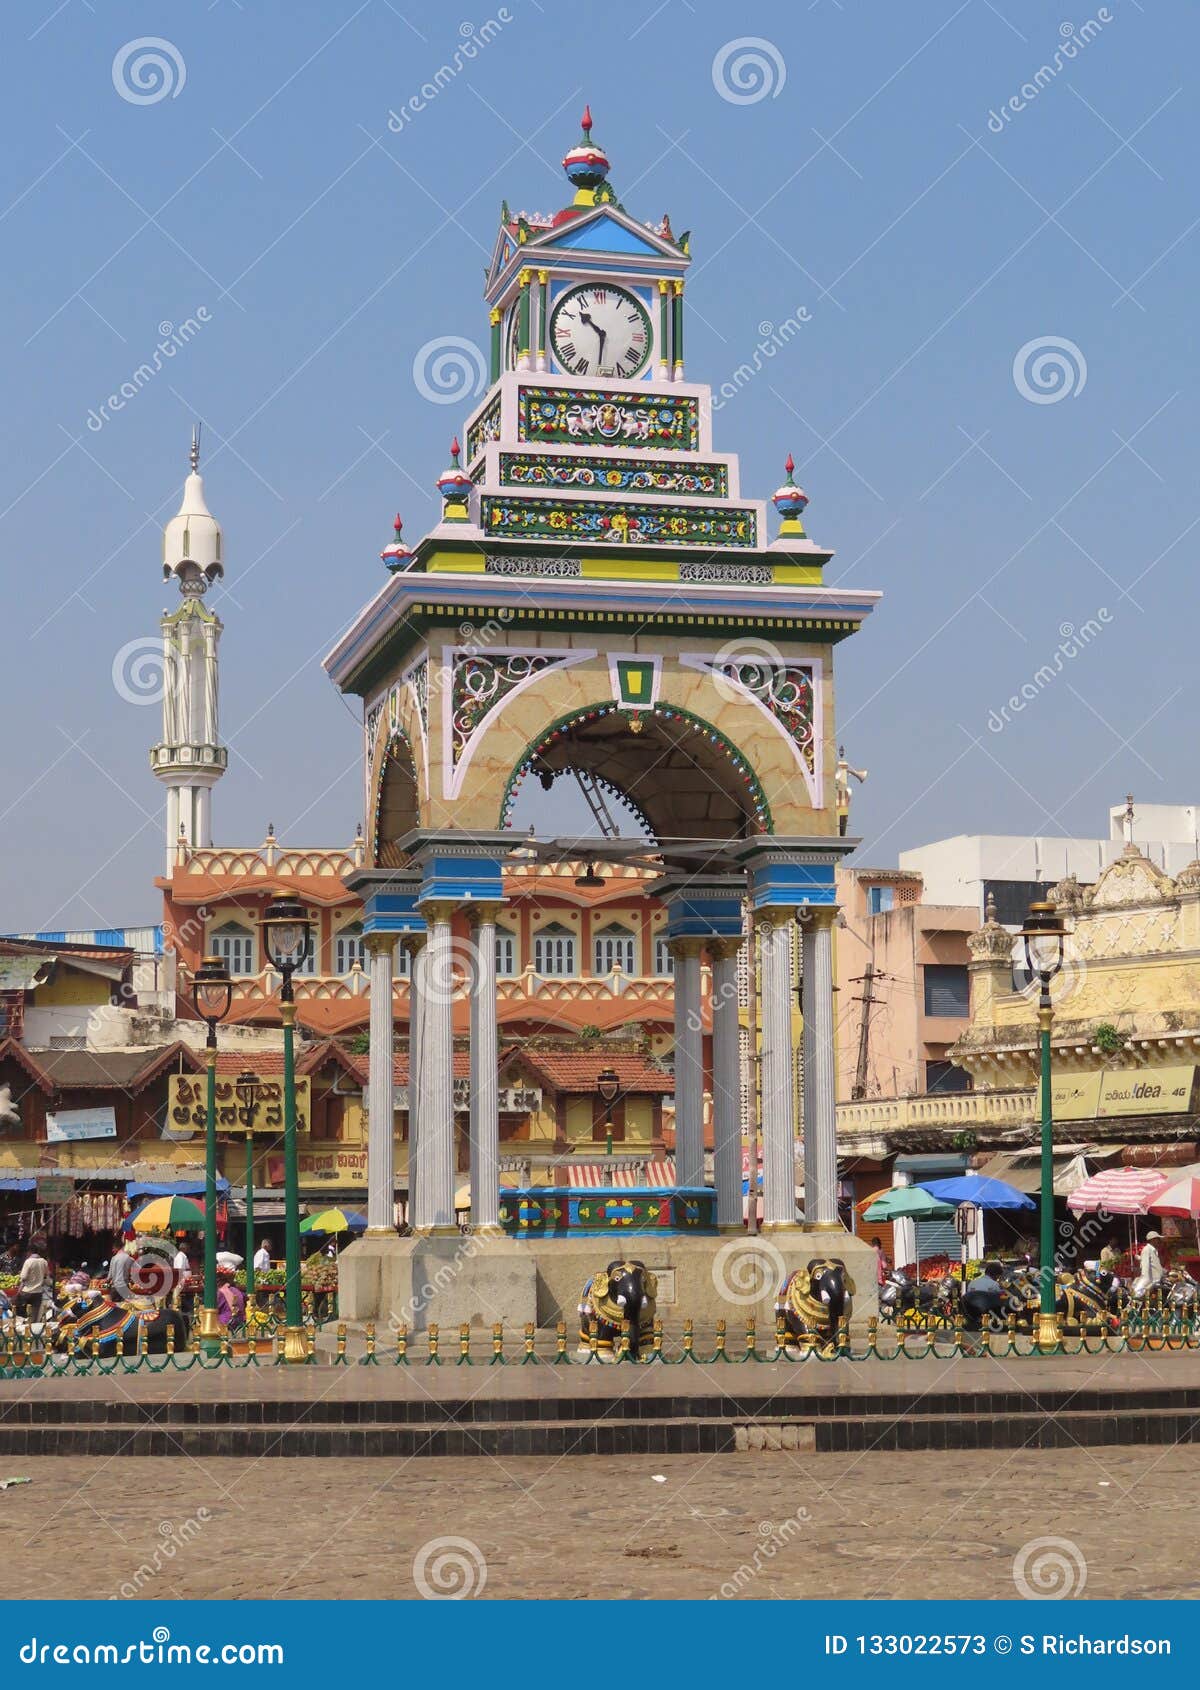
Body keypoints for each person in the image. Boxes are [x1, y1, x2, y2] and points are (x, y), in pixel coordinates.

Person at [15, 1245, 50, 1322]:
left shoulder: (28, 1261)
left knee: (22, 1316)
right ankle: (32, 1327)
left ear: (29, 1252)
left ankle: (23, 1327)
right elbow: (46, 1276)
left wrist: (18, 1291)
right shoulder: (44, 1261)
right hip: (38, 1292)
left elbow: (23, 1277)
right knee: (34, 1317)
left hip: (26, 1292)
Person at [1133, 1230, 1166, 1297]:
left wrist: (1165, 1271)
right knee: (1137, 1297)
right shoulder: (1147, 1250)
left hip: (1156, 1282)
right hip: (1151, 1283)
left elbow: (1154, 1265)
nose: (1159, 1241)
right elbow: (1145, 1269)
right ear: (1152, 1240)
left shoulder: (1153, 1251)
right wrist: (1145, 1284)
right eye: (1158, 1239)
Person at [108, 1236, 138, 1302]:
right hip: (125, 1287)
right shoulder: (129, 1258)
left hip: (115, 1287)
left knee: (114, 1306)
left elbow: (110, 1275)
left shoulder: (114, 1258)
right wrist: (131, 1278)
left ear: (117, 1248)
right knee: (125, 1305)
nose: (112, 1250)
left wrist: (107, 1281)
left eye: (113, 1248)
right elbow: (138, 1269)